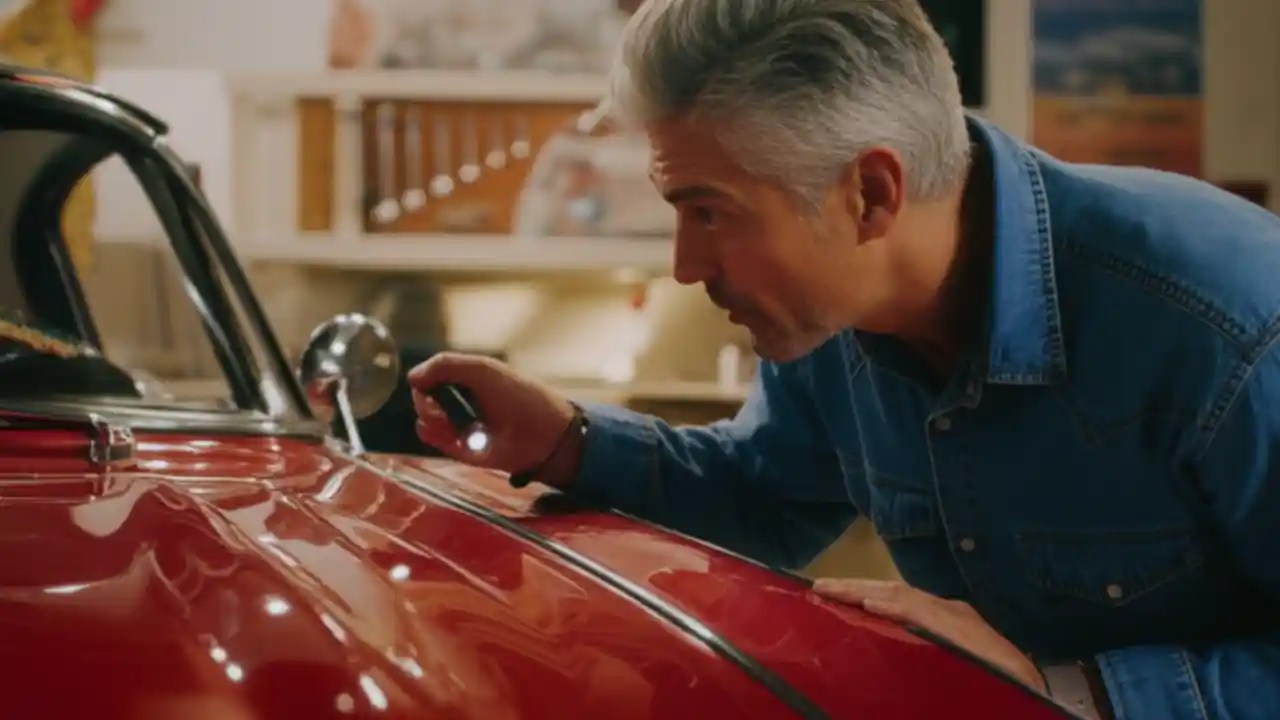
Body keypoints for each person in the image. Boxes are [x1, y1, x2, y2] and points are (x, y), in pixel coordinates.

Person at [408, 1, 1280, 718]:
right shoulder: (837, 312)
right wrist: (567, 442)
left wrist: (1072, 691)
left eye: (709, 213)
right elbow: (767, 496)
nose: (684, 265)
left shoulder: (1223, 323)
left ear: (870, 193)